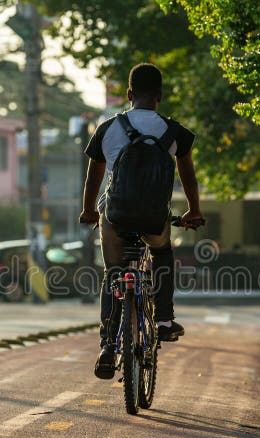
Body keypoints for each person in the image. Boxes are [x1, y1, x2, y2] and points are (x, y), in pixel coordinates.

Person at [79, 63, 204, 379]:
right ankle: (163, 320)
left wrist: (89, 211)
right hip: (154, 215)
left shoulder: (108, 128)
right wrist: (193, 211)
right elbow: (188, 178)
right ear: (159, 96)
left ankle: (108, 346)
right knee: (161, 252)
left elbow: (93, 179)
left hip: (116, 215)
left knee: (113, 273)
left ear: (129, 94)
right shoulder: (174, 131)